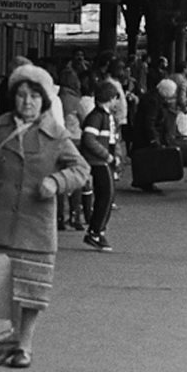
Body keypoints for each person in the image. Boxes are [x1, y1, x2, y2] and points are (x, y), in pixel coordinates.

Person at [0, 64, 88, 369]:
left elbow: (82, 170)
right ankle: (2, 344)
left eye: (33, 97)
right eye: (21, 95)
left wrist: (56, 182)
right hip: (2, 223)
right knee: (3, 289)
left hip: (36, 225)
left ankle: (24, 345)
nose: (26, 102)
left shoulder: (56, 135)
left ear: (44, 101)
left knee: (32, 292)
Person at [79, 82, 122, 251]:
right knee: (106, 195)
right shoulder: (97, 117)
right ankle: (96, 231)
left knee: (106, 195)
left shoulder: (101, 116)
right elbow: (89, 139)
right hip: (99, 161)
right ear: (110, 99)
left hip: (103, 160)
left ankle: (97, 230)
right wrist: (108, 155)